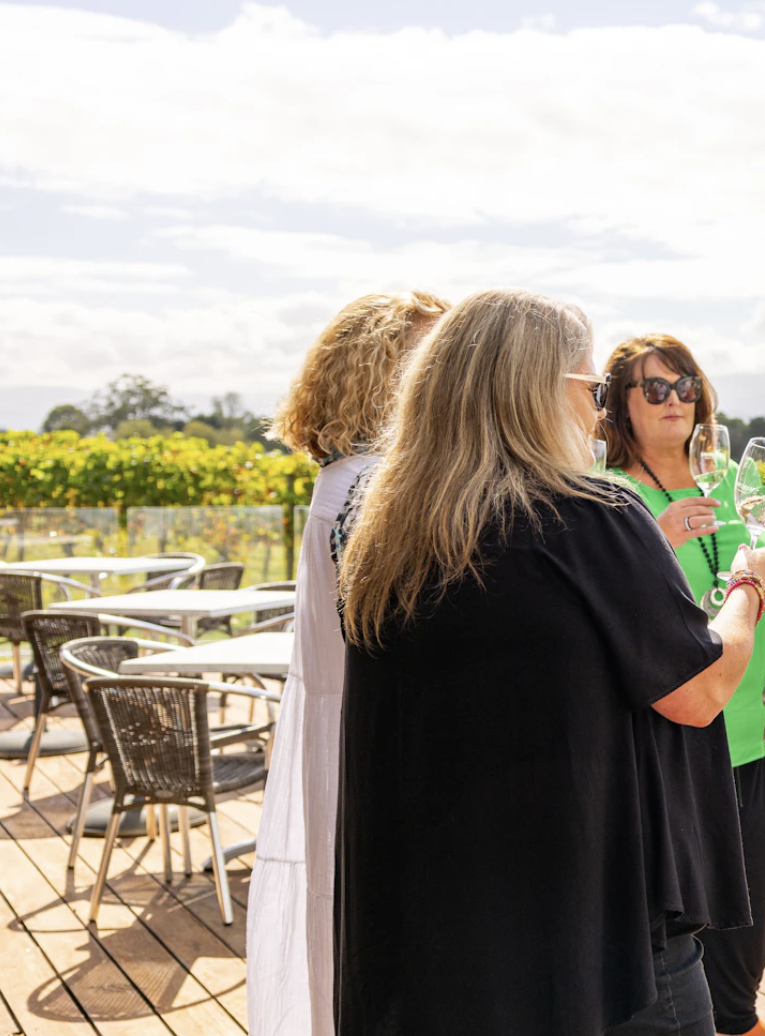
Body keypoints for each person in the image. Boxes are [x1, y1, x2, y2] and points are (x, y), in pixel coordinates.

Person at [334, 288, 765, 1036]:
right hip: (590, 923)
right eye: (594, 388)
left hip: (435, 924)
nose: (597, 409)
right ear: (537, 394)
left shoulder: (387, 534)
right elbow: (700, 688)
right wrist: (747, 589)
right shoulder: (588, 519)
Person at [598, 333, 765, 1036]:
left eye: (685, 384)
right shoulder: (610, 498)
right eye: (654, 388)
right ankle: (738, 1022)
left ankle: (738, 1014)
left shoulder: (731, 485)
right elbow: (616, 611)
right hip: (672, 743)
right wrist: (655, 540)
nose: (674, 400)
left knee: (760, 907)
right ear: (618, 406)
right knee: (692, 926)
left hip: (747, 737)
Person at [246, 289, 449, 1036]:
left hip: (349, 733)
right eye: (429, 358)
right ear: (381, 375)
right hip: (377, 748)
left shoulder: (346, 479)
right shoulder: (370, 489)